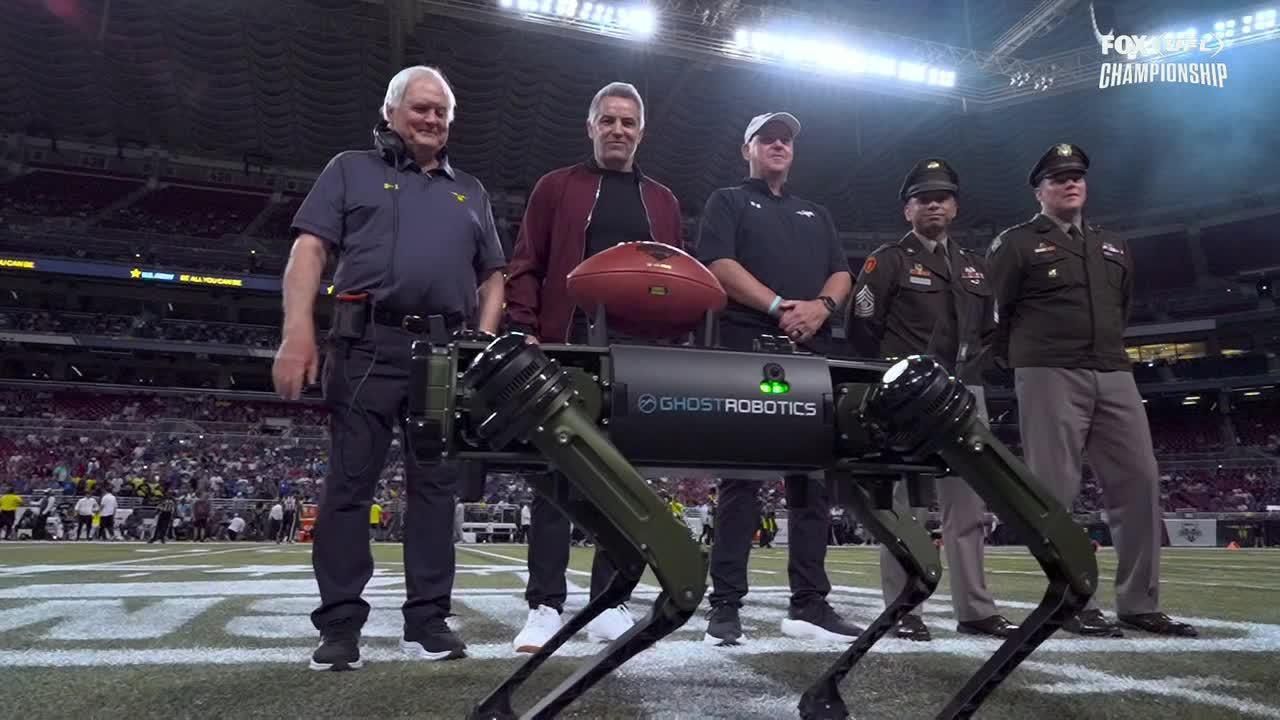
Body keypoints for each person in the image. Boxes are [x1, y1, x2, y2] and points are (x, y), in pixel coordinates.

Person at [274, 64, 506, 670]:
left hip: (445, 353)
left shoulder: (472, 190)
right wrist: (298, 330)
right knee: (349, 486)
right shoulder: (349, 169)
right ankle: (340, 624)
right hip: (367, 345)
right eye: (420, 108)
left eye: (441, 112)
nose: (431, 119)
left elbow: (493, 275)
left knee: (436, 491)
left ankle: (426, 620)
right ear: (390, 111)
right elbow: (309, 248)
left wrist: (482, 340)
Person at [986, 143, 1197, 638]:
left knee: (1140, 481)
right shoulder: (1016, 243)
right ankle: (1071, 600)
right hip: (1048, 370)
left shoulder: (1113, 245)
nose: (1070, 183)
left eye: (1077, 176)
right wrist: (1019, 363)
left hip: (1112, 369)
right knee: (1054, 490)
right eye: (1058, 178)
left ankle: (1139, 603)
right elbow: (995, 314)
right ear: (1039, 191)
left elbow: (1121, 308)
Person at [504, 81, 684, 654]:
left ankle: (611, 601)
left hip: (636, 357)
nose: (618, 130)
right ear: (591, 127)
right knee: (556, 477)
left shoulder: (663, 201)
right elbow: (526, 263)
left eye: (628, 122)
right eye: (608, 120)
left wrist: (671, 343)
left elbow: (674, 277)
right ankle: (544, 605)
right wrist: (527, 327)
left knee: (625, 483)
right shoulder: (557, 187)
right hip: (567, 348)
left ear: (641, 132)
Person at [695, 111, 860, 645]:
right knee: (741, 478)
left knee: (811, 481)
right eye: (767, 138)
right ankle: (725, 606)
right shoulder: (727, 201)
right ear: (747, 148)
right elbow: (717, 264)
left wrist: (821, 307)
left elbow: (842, 272)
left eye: (786, 139)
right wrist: (779, 306)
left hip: (811, 347)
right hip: (748, 345)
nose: (778, 144)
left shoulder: (816, 212)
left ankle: (809, 604)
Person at [848, 158, 1018, 642]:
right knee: (904, 506)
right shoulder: (888, 261)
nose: (934, 205)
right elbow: (861, 327)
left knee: (968, 508)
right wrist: (895, 378)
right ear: (908, 210)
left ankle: (976, 610)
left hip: (964, 392)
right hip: (906, 395)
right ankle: (904, 609)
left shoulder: (974, 266)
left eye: (942, 198)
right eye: (923, 199)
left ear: (955, 207)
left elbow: (990, 331)